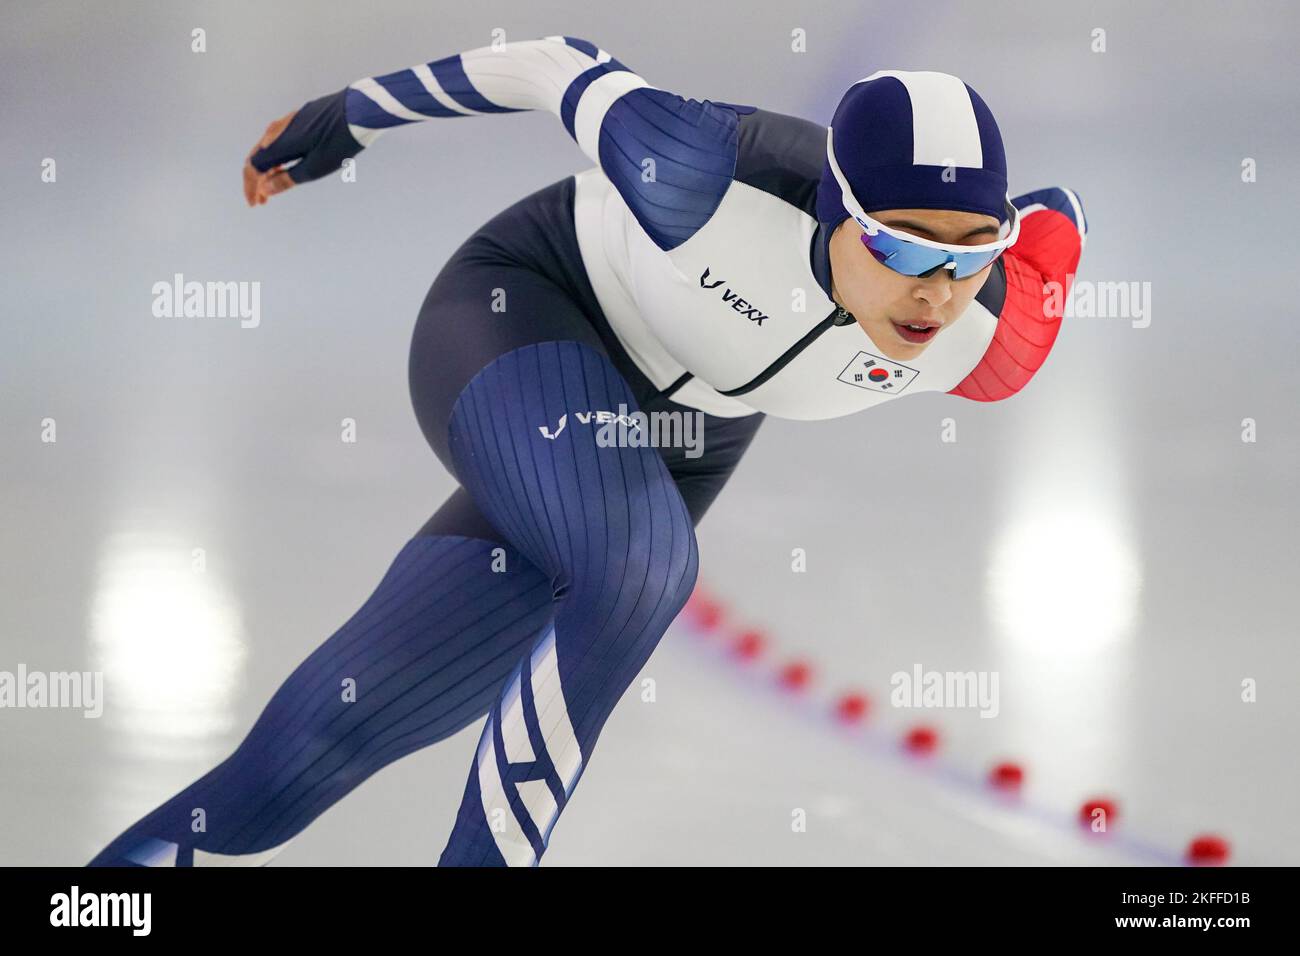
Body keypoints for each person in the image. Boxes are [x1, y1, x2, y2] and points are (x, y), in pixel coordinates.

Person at [89, 35, 1085, 867]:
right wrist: (345, 114)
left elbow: (1049, 232)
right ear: (833, 210)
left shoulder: (985, 339)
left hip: (680, 440)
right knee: (639, 564)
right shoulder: (700, 173)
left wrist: (1027, 239)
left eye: (968, 254)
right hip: (525, 312)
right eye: (903, 245)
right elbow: (551, 65)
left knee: (318, 746)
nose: (935, 291)